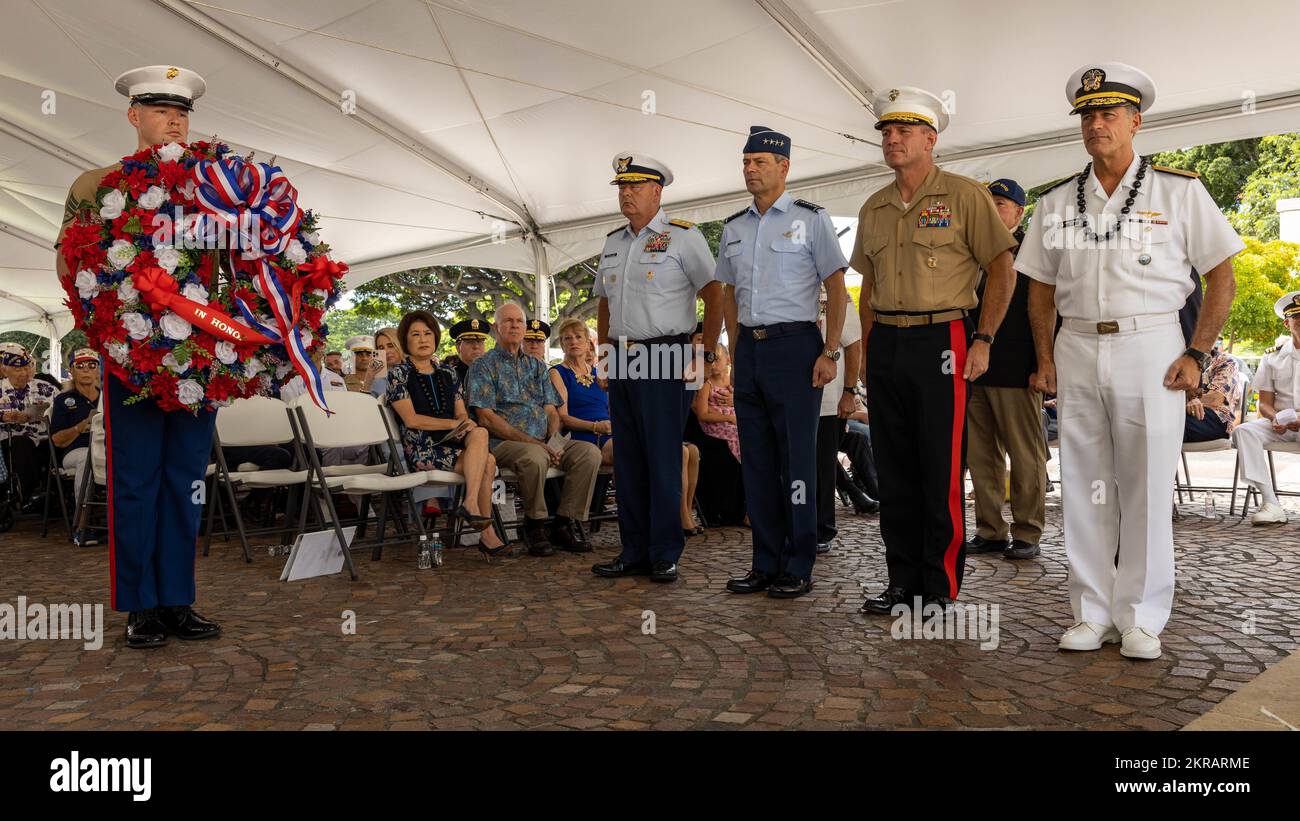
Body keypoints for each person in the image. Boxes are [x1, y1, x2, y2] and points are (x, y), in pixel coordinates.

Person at [1020, 62, 1244, 660]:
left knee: (1144, 484)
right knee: (1087, 486)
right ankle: (1091, 611)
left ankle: (1143, 615)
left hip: (1152, 346)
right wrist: (1045, 358)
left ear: (1136, 121)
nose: (1097, 124)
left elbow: (1221, 276)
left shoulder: (1179, 190)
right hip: (1078, 346)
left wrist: (1198, 352)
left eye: (1109, 114)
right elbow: (1039, 288)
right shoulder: (1057, 201)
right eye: (1088, 115)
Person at [54, 64, 222, 648]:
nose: (174, 119)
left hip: (200, 362)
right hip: (133, 359)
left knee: (185, 481)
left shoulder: (216, 187)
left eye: (182, 111)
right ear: (134, 116)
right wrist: (107, 339)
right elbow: (70, 267)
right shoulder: (96, 185)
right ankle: (140, 606)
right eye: (159, 110)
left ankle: (177, 599)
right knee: (135, 482)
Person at [854, 88, 1018, 616]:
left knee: (940, 468)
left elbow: (1002, 269)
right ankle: (901, 580)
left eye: (903, 131)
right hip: (887, 341)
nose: (892, 139)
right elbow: (869, 285)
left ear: (931, 139)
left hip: (942, 336)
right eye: (886, 132)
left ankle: (940, 584)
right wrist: (868, 351)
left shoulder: (966, 195)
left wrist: (984, 338)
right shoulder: (873, 206)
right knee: (894, 468)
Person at [717, 127, 849, 599]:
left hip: (796, 347)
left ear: (784, 167)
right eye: (747, 161)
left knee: (797, 461)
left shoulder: (811, 219)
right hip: (750, 350)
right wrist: (733, 348)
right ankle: (765, 561)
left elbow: (837, 288)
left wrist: (830, 351)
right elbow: (729, 293)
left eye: (760, 162)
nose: (751, 169)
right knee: (757, 460)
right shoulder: (733, 226)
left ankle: (799, 561)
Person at [588, 152, 721, 583]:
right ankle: (634, 550)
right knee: (628, 458)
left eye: (635, 187)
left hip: (667, 353)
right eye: (622, 188)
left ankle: (665, 551)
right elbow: (604, 303)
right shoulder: (613, 242)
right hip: (622, 354)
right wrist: (604, 356)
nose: (626, 194)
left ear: (657, 191)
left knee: (663, 456)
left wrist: (704, 353)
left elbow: (714, 292)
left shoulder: (684, 236)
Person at [466, 301, 601, 555]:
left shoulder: (537, 366)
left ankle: (562, 524)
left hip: (542, 441)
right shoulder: (483, 365)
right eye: (508, 321)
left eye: (519, 321)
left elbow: (551, 409)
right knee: (534, 455)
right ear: (496, 327)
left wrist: (552, 439)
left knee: (588, 453)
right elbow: (486, 418)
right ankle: (535, 524)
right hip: (503, 443)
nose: (515, 325)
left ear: (525, 327)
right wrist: (534, 443)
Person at [964, 178, 1048, 561]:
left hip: (1019, 370)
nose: (993, 209)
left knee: (1025, 456)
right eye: (988, 203)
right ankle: (990, 530)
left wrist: (1044, 365)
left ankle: (1028, 531)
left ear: (1019, 211)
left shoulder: (1033, 252)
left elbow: (1048, 313)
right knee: (981, 457)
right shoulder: (969, 251)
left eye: (1000, 203)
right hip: (974, 371)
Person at [387, 310, 505, 555]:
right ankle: (486, 533)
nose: (423, 339)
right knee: (489, 460)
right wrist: (454, 425)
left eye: (428, 333)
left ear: (436, 338)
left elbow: (461, 413)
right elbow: (411, 420)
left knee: (480, 433)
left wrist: (463, 424)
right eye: (415, 334)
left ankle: (470, 503)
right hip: (422, 449)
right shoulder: (398, 374)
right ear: (406, 340)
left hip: (452, 444)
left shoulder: (449, 373)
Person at [1230, 291, 1300, 524]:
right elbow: (1265, 402)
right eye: (1296, 317)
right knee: (1244, 431)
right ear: (1286, 322)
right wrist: (1274, 419)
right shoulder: (1273, 357)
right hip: (1283, 421)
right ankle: (1271, 503)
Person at [814, 286, 864, 555]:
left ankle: (823, 528)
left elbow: (854, 344)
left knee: (823, 468)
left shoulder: (835, 295)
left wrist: (849, 392)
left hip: (828, 401)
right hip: (796, 400)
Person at [49, 348, 101, 545]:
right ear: (71, 370)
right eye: (80, 366)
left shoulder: (108, 398)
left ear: (98, 370)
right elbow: (57, 440)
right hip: (75, 452)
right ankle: (82, 525)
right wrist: (82, 426)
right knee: (86, 458)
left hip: (107, 451)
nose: (86, 370)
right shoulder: (63, 400)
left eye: (91, 365)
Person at [0, 343, 57, 511]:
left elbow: (62, 409)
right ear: (5, 370)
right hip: (11, 440)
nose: (24, 373)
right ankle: (31, 494)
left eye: (26, 368)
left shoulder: (45, 388)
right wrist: (4, 416)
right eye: (18, 370)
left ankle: (56, 498)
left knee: (57, 444)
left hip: (44, 437)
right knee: (22, 444)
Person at [550, 318, 613, 464]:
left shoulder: (599, 373)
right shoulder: (558, 372)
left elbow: (611, 410)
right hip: (580, 436)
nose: (574, 342)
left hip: (608, 433)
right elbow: (563, 417)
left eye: (578, 337)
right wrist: (595, 427)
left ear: (587, 343)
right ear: (562, 344)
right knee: (628, 453)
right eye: (568, 338)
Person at [694, 343, 741, 462]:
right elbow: (702, 414)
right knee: (738, 433)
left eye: (717, 359)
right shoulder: (707, 384)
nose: (713, 364)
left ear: (728, 360)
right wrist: (728, 418)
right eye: (710, 359)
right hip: (716, 423)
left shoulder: (732, 379)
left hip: (734, 418)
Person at [1184, 346, 1241, 443]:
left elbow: (1214, 400)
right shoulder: (1179, 361)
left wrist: (1186, 401)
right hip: (1183, 413)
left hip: (1216, 418)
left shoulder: (1225, 361)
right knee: (1164, 421)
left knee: (1170, 422)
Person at [443, 318, 492, 389]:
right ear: (458, 347)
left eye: (480, 341)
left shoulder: (493, 372)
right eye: (469, 341)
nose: (476, 346)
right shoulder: (449, 376)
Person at [371, 326, 403, 400]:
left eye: (390, 345)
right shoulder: (377, 381)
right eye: (381, 348)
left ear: (400, 345)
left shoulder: (416, 370)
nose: (386, 351)